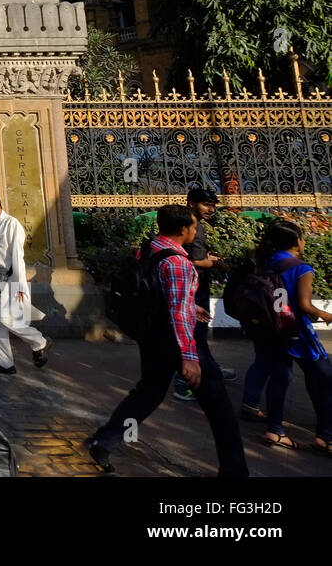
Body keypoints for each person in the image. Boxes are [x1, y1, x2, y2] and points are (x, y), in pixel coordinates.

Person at [85, 204, 248, 476]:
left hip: (152, 337)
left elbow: (158, 294)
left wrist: (190, 307)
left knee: (148, 392)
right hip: (176, 341)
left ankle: (105, 440)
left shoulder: (150, 249)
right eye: (194, 227)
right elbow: (177, 313)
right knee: (220, 409)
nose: (196, 231)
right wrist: (189, 357)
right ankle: (235, 471)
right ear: (184, 229)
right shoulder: (178, 263)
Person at [242, 219, 332, 451]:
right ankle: (326, 436)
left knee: (280, 378)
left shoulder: (263, 262)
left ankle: (275, 431)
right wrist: (326, 315)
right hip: (297, 333)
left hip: (271, 331)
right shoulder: (302, 268)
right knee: (324, 379)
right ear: (296, 241)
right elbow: (304, 305)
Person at [0, 189, 49, 374]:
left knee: (7, 319)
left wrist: (19, 286)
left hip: (7, 280)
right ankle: (4, 362)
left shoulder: (12, 224)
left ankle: (38, 341)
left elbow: (17, 257)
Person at [174, 188, 236, 401]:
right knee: (195, 333)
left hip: (196, 284)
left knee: (198, 334)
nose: (211, 209)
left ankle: (210, 369)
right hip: (193, 285)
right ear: (191, 203)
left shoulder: (193, 223)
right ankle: (184, 382)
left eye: (213, 205)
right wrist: (211, 262)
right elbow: (186, 259)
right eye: (206, 204)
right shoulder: (190, 225)